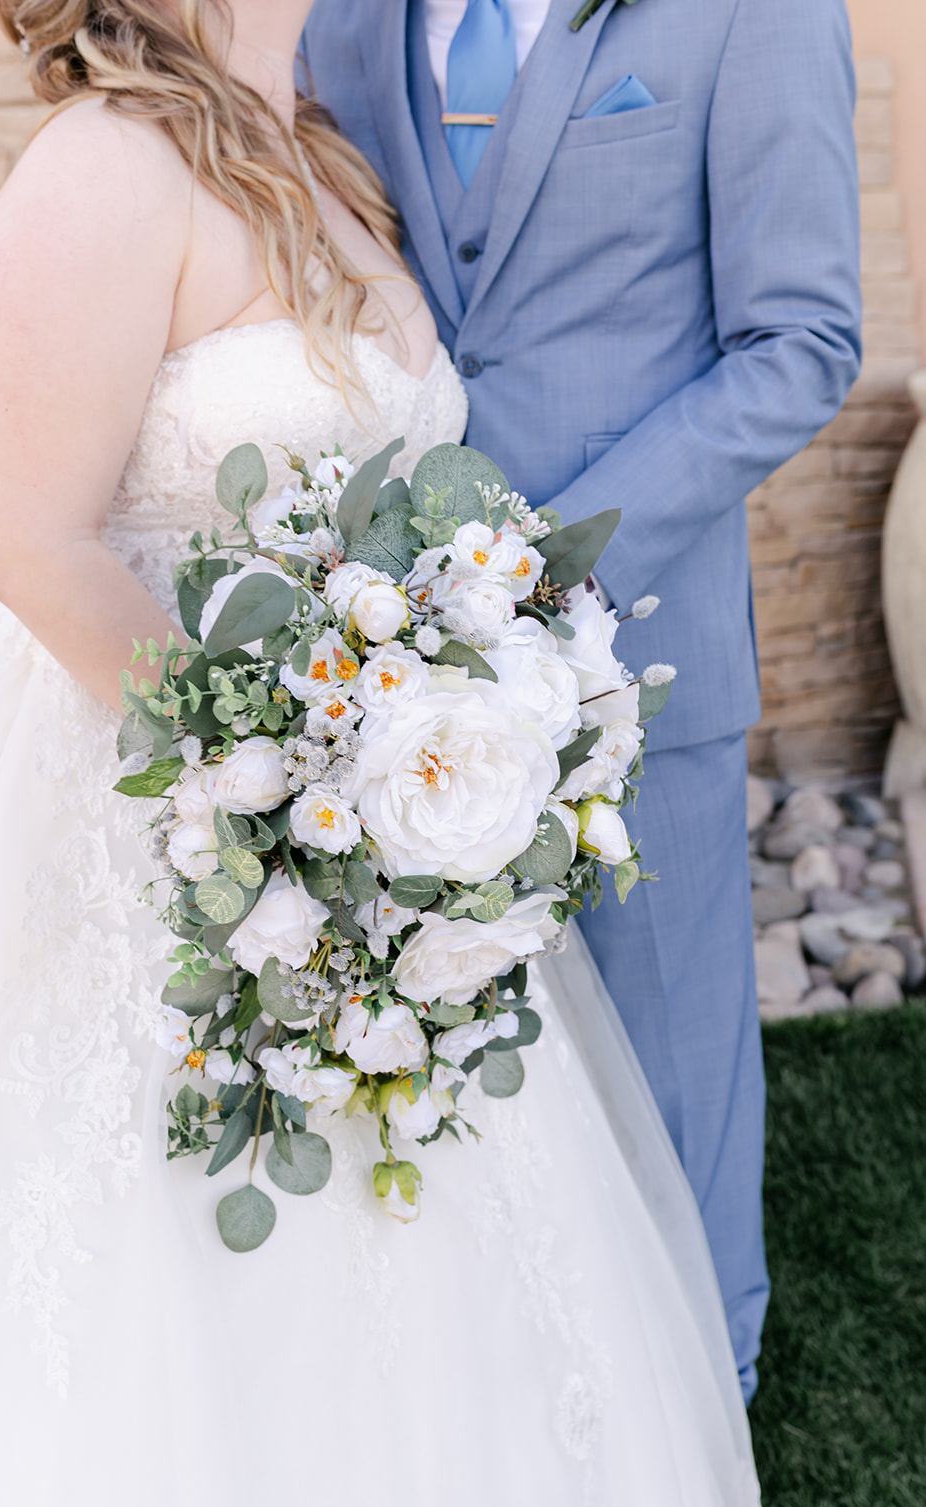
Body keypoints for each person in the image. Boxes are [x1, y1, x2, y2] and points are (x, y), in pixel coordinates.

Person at [0, 1, 774, 1507]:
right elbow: (40, 550)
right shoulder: (100, 173)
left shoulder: (328, 146)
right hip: (176, 807)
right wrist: (278, 798)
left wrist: (432, 740)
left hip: (370, 807)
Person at [303, 0, 863, 1404]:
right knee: (433, 1053)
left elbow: (800, 340)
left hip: (643, 657)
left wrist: (548, 563)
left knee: (675, 1076)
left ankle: (702, 1396)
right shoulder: (346, 24)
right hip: (393, 675)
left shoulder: (757, 17)